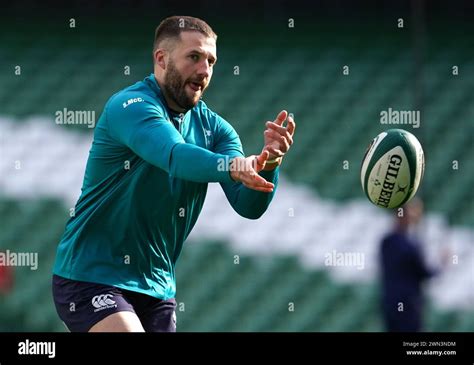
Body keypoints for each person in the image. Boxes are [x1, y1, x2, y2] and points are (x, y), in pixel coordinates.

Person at [52, 16, 295, 332]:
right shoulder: (131, 106)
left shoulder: (217, 130)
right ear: (161, 59)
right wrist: (231, 166)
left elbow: (247, 207)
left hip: (157, 287)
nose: (204, 70)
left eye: (211, 61)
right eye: (194, 57)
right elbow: (174, 155)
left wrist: (270, 164)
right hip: (91, 275)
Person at [379, 198, 443, 332]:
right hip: (407, 303)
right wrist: (441, 264)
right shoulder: (407, 245)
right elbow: (424, 272)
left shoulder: (387, 242)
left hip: (390, 302)